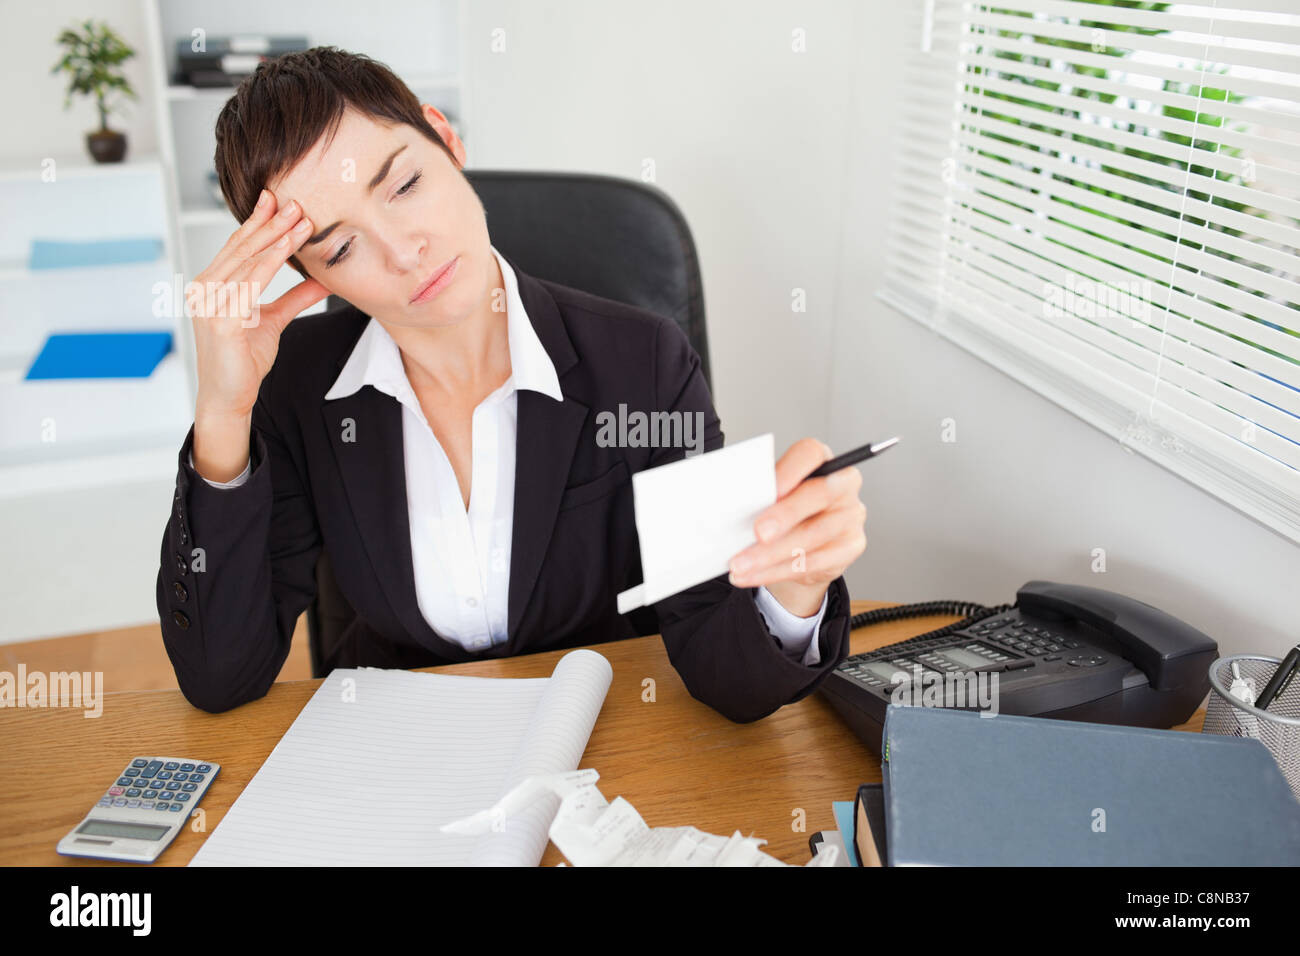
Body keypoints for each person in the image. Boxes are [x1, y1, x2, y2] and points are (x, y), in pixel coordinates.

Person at [158, 47, 868, 721]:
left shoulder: (643, 363)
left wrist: (793, 585)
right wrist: (224, 410)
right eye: (342, 247)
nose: (405, 252)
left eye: (404, 185)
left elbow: (725, 672)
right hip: (400, 754)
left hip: (608, 738)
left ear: (444, 139)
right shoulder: (300, 388)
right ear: (312, 276)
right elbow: (222, 676)